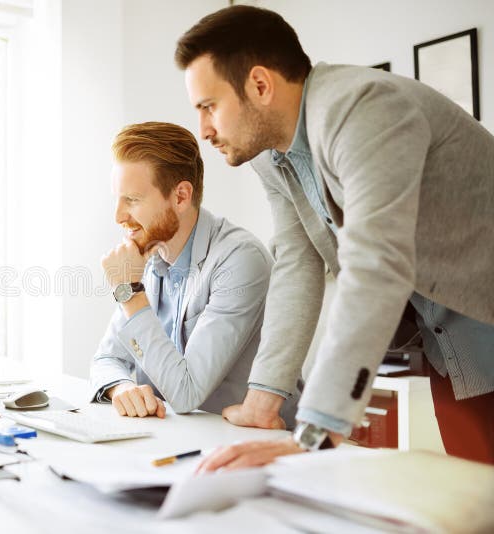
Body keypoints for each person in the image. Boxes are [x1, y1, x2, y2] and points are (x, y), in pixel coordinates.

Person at [175, 5, 494, 468]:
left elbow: (375, 263)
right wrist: (263, 398)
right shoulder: (273, 156)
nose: (203, 129)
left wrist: (318, 429)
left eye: (209, 107)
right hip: (455, 355)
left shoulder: (362, 107)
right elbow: (296, 264)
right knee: (479, 504)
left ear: (260, 85)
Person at [90, 121, 299, 424]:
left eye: (132, 200)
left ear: (181, 196)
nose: (119, 216)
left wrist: (130, 291)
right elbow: (106, 359)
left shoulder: (239, 259)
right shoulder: (148, 255)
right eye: (118, 200)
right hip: (181, 439)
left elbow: (186, 394)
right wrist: (121, 387)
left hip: (253, 441)